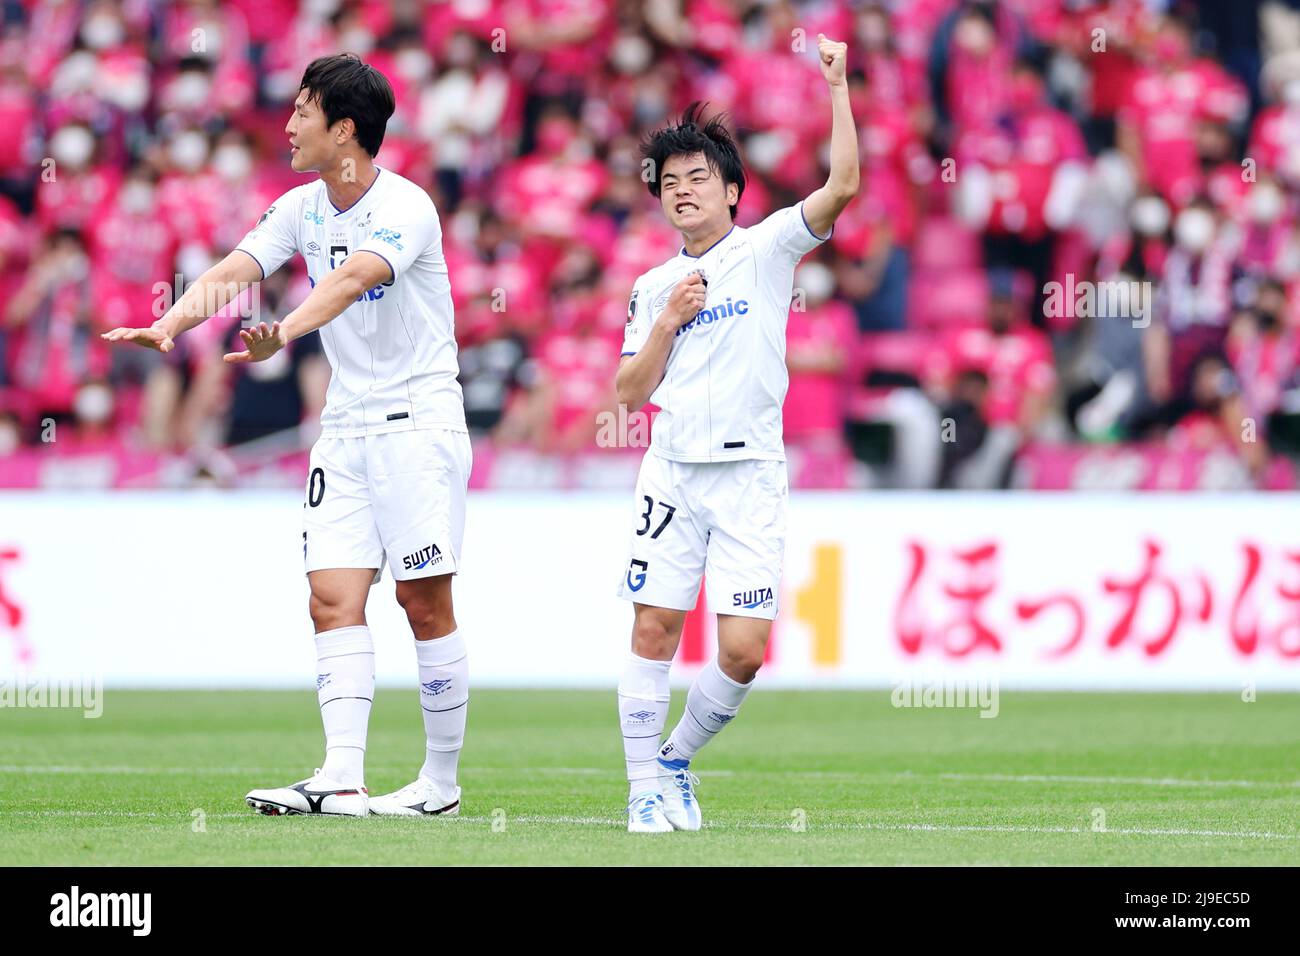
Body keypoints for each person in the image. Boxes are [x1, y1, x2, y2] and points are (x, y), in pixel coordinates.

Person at [102, 54, 471, 818]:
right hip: (344, 427)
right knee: (330, 598)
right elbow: (241, 265)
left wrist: (285, 331)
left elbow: (349, 281)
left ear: (345, 130)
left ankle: (440, 785)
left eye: (303, 111)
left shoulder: (407, 207)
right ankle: (342, 775)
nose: (288, 124)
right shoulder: (301, 205)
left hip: (418, 424)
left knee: (422, 603)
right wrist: (169, 325)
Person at [613, 35, 859, 832]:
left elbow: (844, 183)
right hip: (672, 474)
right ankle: (641, 788)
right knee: (653, 626)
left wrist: (838, 86)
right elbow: (627, 389)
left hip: (750, 475)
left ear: (730, 191)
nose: (681, 191)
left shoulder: (767, 249)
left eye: (696, 178)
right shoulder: (653, 285)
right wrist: (668, 325)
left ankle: (676, 760)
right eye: (669, 182)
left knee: (745, 651)